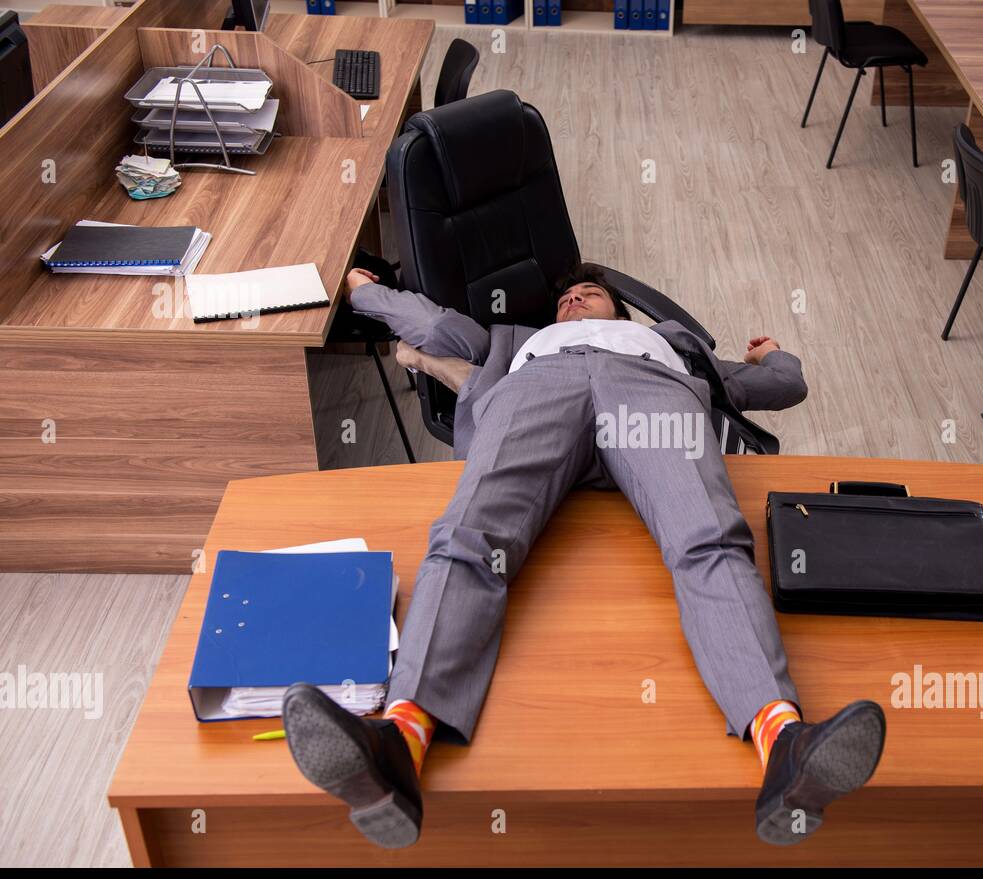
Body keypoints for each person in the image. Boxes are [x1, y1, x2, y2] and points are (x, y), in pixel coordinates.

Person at [281, 264, 886, 849]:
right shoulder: (521, 342)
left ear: (620, 311)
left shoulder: (670, 344)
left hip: (649, 394)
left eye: (589, 294)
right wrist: (365, 293)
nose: (574, 302)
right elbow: (436, 327)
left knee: (711, 540)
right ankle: (398, 746)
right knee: (466, 538)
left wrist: (768, 354)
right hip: (539, 389)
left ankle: (785, 747)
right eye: (565, 299)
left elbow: (784, 386)